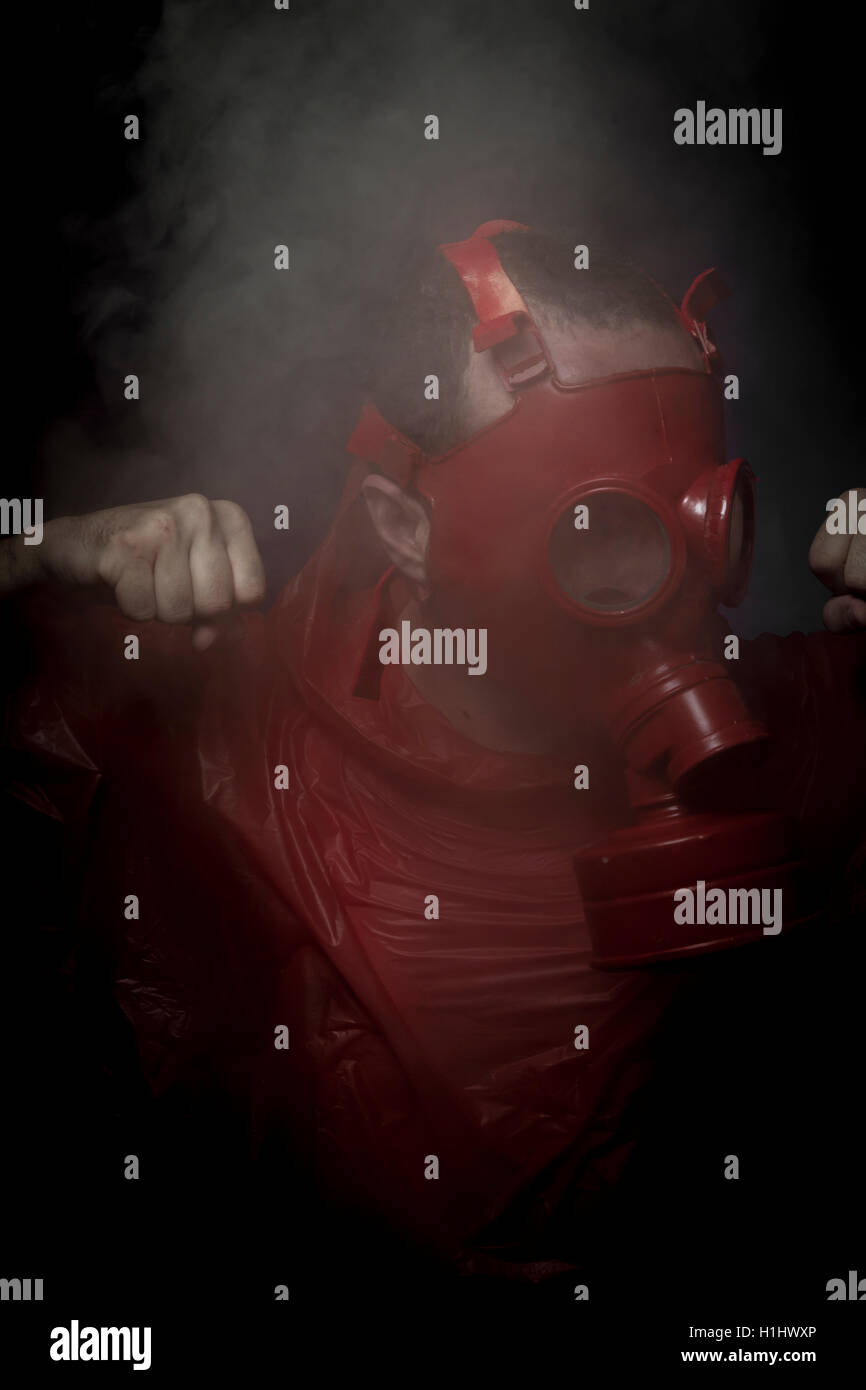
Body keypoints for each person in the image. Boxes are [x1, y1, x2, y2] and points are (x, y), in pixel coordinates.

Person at [2, 224, 863, 1288]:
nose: (670, 593)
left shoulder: (808, 722)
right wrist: (24, 562)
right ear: (402, 530)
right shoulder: (214, 730)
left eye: (704, 527)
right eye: (593, 533)